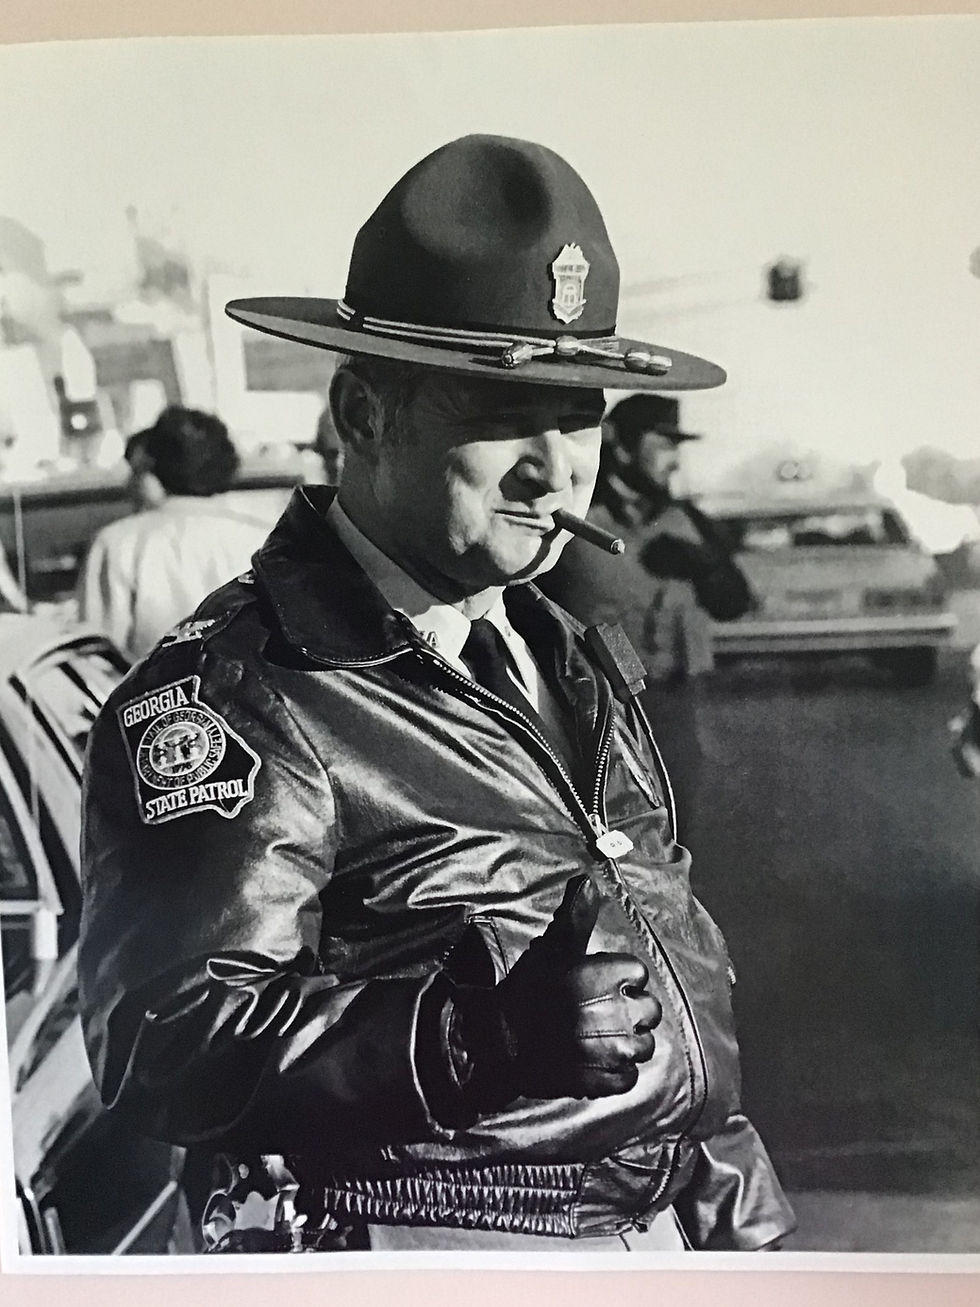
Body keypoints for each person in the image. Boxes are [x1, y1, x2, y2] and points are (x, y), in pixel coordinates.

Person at [78, 134, 794, 1254]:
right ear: (363, 413)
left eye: (581, 413)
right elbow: (163, 1045)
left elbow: (662, 965)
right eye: (501, 410)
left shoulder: (560, 649)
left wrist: (741, 1223)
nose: (555, 468)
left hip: (654, 1233)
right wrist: (477, 1037)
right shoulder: (239, 697)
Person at [543, 396, 752, 837]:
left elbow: (735, 602)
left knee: (675, 838)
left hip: (673, 710)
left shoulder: (687, 520)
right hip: (592, 712)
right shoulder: (572, 517)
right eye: (664, 445)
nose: (674, 463)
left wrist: (705, 565)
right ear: (621, 448)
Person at [76, 406, 274, 660]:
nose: (128, 485)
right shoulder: (266, 538)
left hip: (154, 697)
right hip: (258, 696)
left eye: (136, 471)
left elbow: (96, 661)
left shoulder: (119, 544)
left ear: (152, 472)